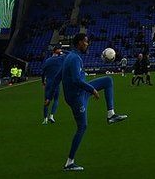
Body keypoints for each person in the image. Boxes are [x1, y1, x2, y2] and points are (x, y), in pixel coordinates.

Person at [61, 33, 128, 172]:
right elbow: (75, 80)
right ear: (79, 42)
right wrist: (92, 90)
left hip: (80, 92)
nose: (88, 44)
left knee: (108, 80)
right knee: (82, 127)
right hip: (77, 97)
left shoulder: (73, 56)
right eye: (86, 42)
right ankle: (69, 163)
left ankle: (111, 114)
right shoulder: (74, 59)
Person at [40, 47, 65, 124]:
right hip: (56, 83)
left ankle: (45, 119)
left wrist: (43, 82)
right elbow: (70, 54)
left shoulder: (47, 61)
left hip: (48, 82)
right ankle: (52, 116)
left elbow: (43, 73)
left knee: (46, 100)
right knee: (56, 99)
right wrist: (62, 51)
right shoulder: (61, 59)